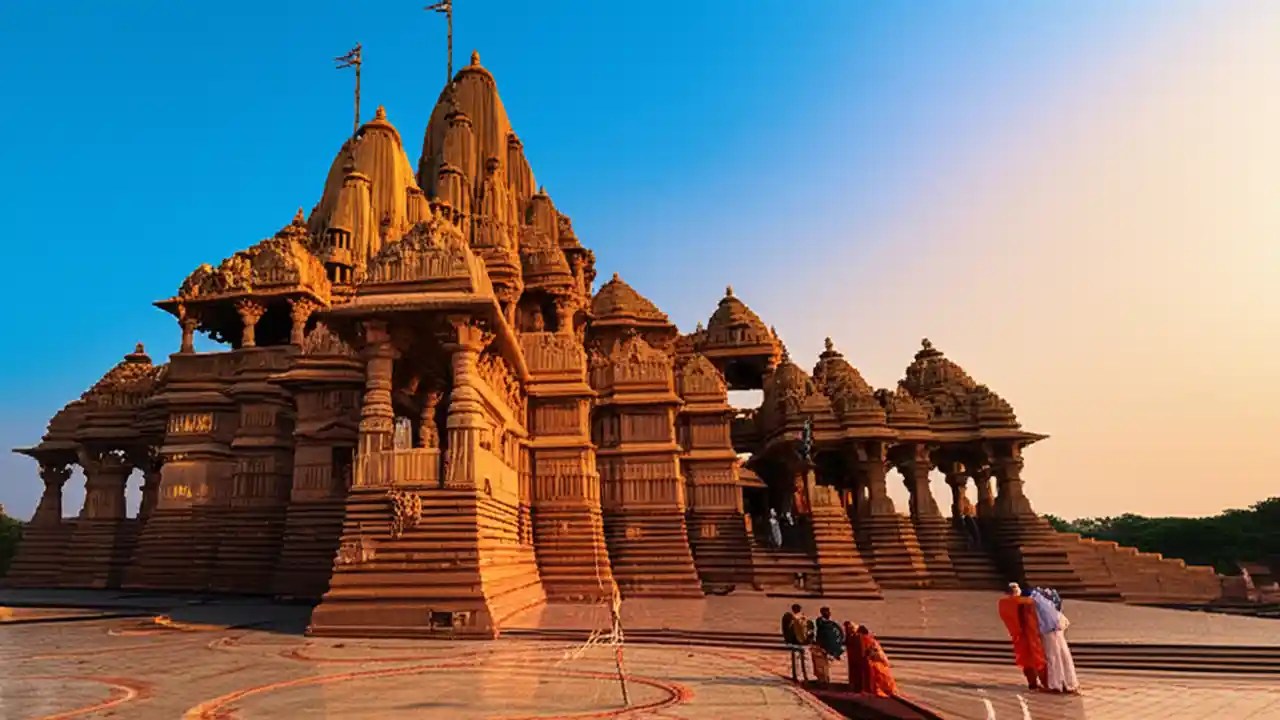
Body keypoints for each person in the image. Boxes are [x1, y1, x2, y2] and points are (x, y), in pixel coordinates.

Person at [998, 582, 1048, 690]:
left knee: (1027, 660)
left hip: (1020, 635)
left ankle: (1033, 683)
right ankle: (1044, 682)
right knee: (1036, 658)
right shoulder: (1026, 601)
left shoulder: (1005, 603)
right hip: (1029, 634)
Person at [1031, 587, 1079, 693]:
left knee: (1053, 657)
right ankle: (1071, 683)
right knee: (1064, 656)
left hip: (1049, 630)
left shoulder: (1035, 599)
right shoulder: (1046, 598)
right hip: (1058, 627)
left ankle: (1055, 685)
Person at [855, 626, 899, 697]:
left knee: (876, 674)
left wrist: (867, 656)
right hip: (878, 659)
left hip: (876, 660)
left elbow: (869, 652)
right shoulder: (870, 639)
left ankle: (877, 689)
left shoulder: (866, 639)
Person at [812, 607, 844, 684]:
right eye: (826, 612)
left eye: (828, 612)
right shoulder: (823, 624)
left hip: (828, 647)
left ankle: (825, 679)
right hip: (822, 647)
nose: (828, 613)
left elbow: (840, 634)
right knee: (822, 665)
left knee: (825, 665)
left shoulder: (832, 625)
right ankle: (823, 679)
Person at [781, 603, 810, 681]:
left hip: (796, 641)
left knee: (797, 659)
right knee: (803, 660)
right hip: (800, 641)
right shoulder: (802, 618)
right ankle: (804, 675)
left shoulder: (793, 618)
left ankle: (799, 675)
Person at [843, 620, 868, 692]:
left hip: (858, 657)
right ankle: (855, 686)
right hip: (853, 657)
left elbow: (861, 648)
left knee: (859, 674)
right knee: (854, 673)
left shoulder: (858, 636)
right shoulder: (850, 635)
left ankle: (859, 687)